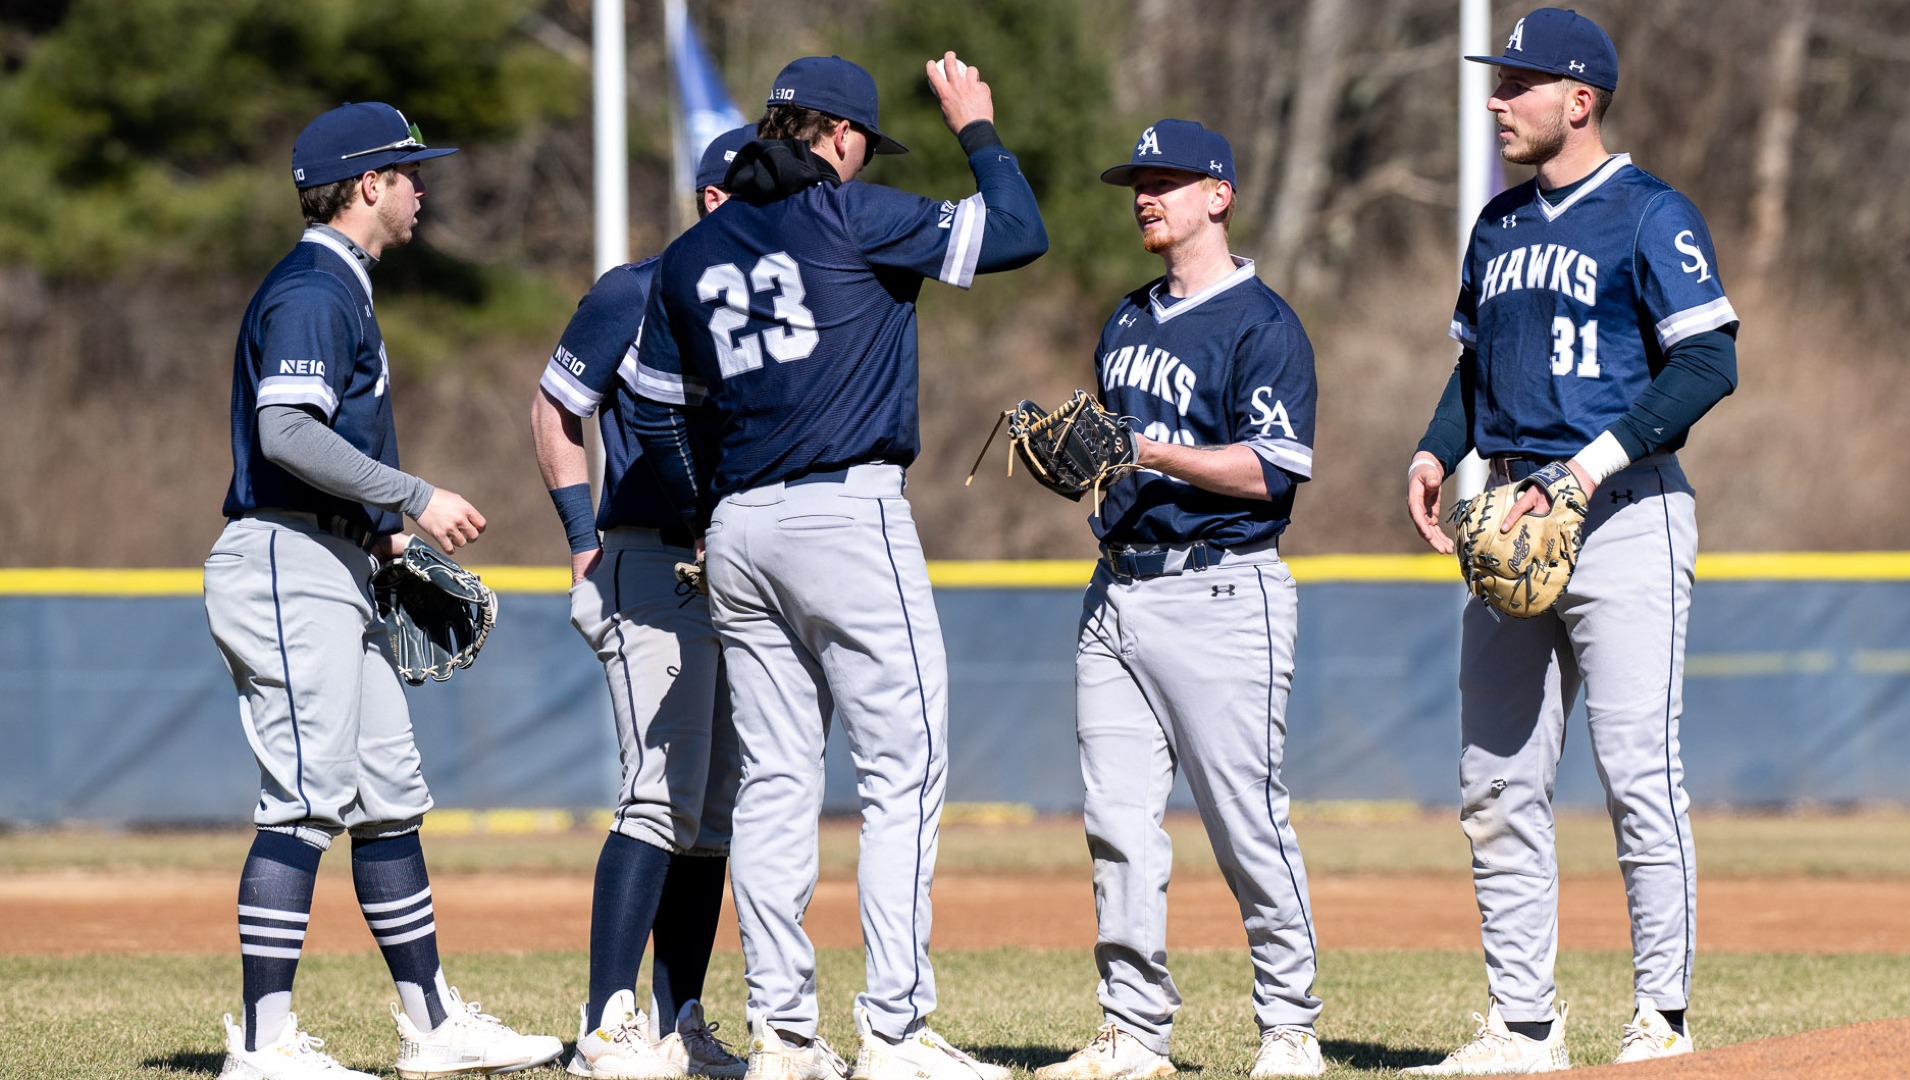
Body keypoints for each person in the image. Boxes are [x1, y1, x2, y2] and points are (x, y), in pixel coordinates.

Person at [628, 52, 1047, 1080]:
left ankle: (781, 1034)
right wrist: (977, 127)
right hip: (843, 518)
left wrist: (697, 513)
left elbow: (652, 409)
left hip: (735, 532)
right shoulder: (848, 218)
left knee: (773, 781)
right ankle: (896, 1034)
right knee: (903, 770)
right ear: (844, 138)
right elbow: (1020, 232)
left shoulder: (690, 255)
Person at [1403, 9, 1737, 1073]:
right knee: (1495, 782)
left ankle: (1662, 1018)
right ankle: (1524, 1025)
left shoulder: (1648, 213)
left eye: (1517, 83)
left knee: (1638, 775)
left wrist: (1587, 468)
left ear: (1578, 99)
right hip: (1508, 521)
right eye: (1496, 82)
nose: (1496, 99)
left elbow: (1709, 362)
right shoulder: (1497, 225)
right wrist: (1432, 447)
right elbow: (1475, 370)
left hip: (1625, 514)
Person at [203, 101, 563, 1080]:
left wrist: (386, 536)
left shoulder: (342, 288)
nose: (421, 188)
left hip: (334, 558)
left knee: (387, 795)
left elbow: (317, 446)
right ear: (368, 185)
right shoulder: (317, 286)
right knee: (307, 799)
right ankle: (264, 1045)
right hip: (284, 560)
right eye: (409, 174)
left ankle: (430, 1026)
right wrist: (414, 495)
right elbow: (286, 434)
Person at [1033, 120, 1325, 1080]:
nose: (1145, 195)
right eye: (1136, 181)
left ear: (1219, 193)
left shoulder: (1261, 323)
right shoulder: (1123, 318)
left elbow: (1270, 473)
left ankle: (1289, 1025)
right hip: (1117, 592)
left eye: (1165, 180)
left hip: (1222, 591)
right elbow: (1105, 459)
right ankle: (1133, 1030)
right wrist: (1066, 466)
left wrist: (1147, 450)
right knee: (1116, 823)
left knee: (1246, 823)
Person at [529, 123, 759, 1080]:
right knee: (656, 800)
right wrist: (582, 543)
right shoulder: (633, 290)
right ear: (716, 200)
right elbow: (553, 409)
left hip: (736, 574)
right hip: (646, 563)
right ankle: (605, 1024)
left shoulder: (762, 310)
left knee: (713, 814)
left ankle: (680, 1025)